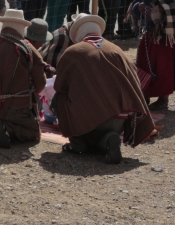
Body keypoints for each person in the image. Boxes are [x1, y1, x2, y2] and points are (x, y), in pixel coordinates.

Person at [52, 14, 155, 164]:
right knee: (104, 135)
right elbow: (136, 80)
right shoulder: (117, 50)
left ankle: (77, 143)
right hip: (118, 118)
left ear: (78, 34)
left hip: (86, 118)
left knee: (58, 99)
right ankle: (108, 139)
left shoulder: (73, 52)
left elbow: (59, 86)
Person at [0, 9, 46, 148]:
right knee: (33, 133)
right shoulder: (27, 47)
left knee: (5, 112)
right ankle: (7, 128)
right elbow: (40, 84)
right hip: (14, 108)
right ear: (22, 27)